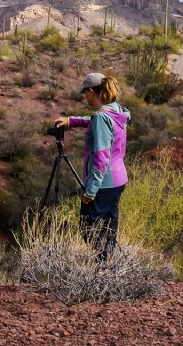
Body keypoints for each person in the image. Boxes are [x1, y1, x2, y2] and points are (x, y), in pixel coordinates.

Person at [54, 72, 130, 261]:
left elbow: (101, 157)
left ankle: (101, 265)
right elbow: (96, 121)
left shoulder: (102, 119)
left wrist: (91, 190)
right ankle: (109, 264)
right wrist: (72, 121)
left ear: (90, 91)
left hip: (103, 183)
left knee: (89, 227)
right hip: (118, 180)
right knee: (108, 225)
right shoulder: (118, 111)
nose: (84, 97)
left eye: (85, 93)